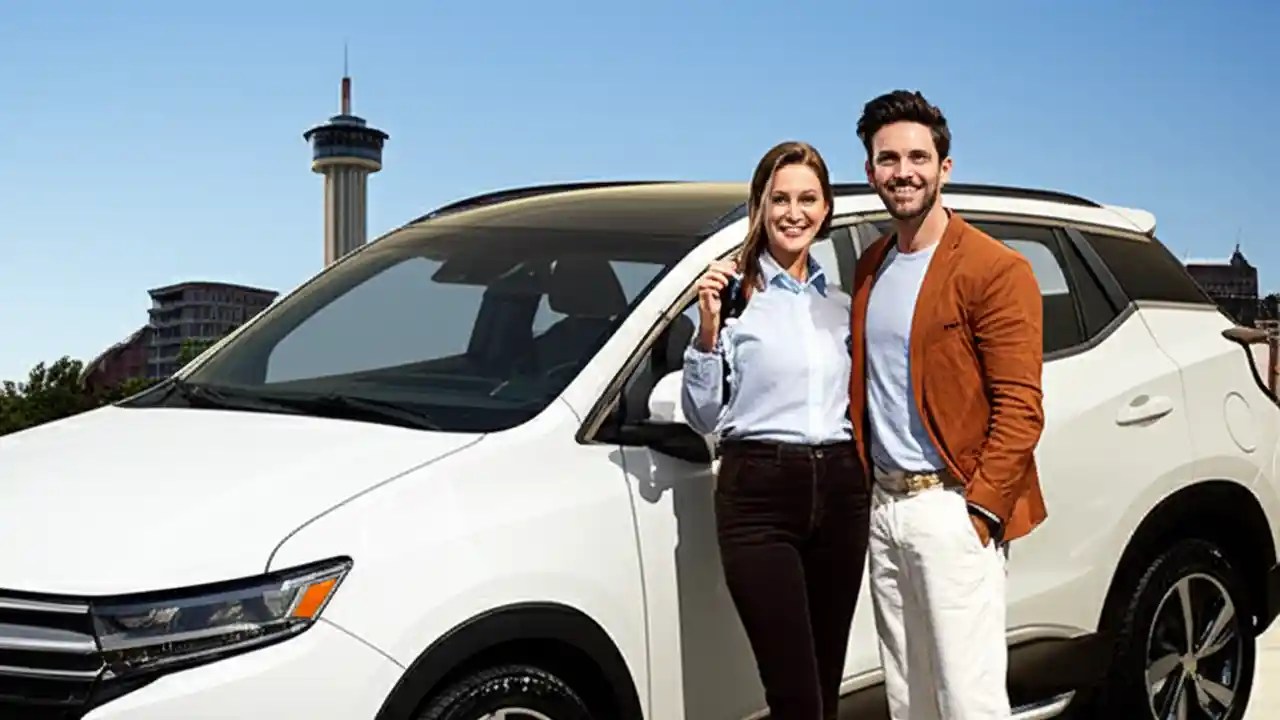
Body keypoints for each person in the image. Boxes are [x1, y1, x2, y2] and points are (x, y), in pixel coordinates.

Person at [847, 90, 1047, 720]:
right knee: (908, 699)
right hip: (885, 508)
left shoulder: (995, 268)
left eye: (917, 157)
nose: (902, 172)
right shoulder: (872, 266)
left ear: (945, 167)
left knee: (969, 701)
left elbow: (1021, 406)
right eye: (888, 159)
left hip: (951, 506)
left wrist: (979, 511)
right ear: (870, 171)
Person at [681, 140, 870, 720]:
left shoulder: (841, 305)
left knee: (825, 687)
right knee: (794, 697)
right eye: (780, 199)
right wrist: (706, 331)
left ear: (826, 208)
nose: (794, 213)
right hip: (759, 492)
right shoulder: (732, 298)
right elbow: (703, 415)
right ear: (760, 207)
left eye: (808, 199)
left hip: (841, 489)